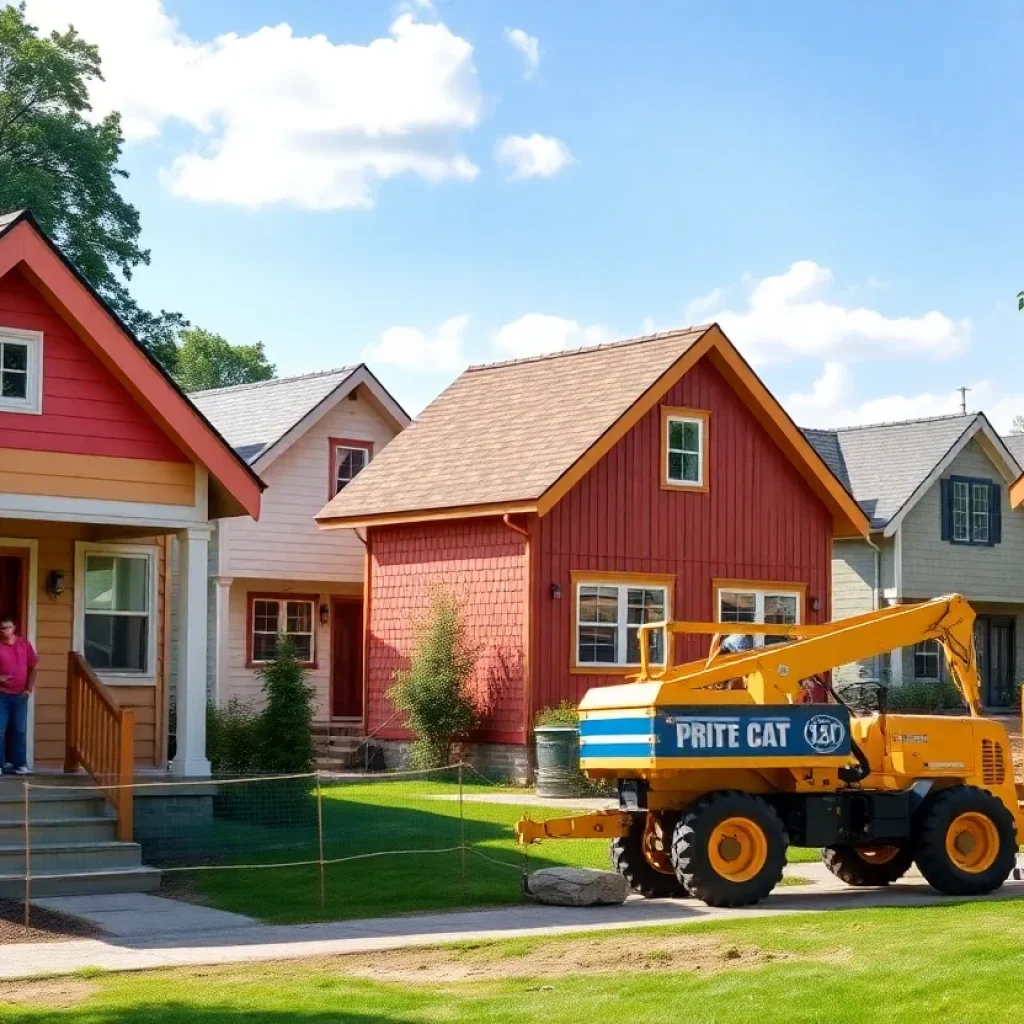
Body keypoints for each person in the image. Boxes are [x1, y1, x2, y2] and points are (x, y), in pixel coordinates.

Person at [0, 616, 37, 775]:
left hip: (21, 695)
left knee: (20, 730)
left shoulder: (24, 645)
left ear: (14, 627)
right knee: (0, 729)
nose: (6, 630)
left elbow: (34, 667)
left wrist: (28, 689)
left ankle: (19, 764)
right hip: (2, 695)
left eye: (8, 627)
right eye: (2, 628)